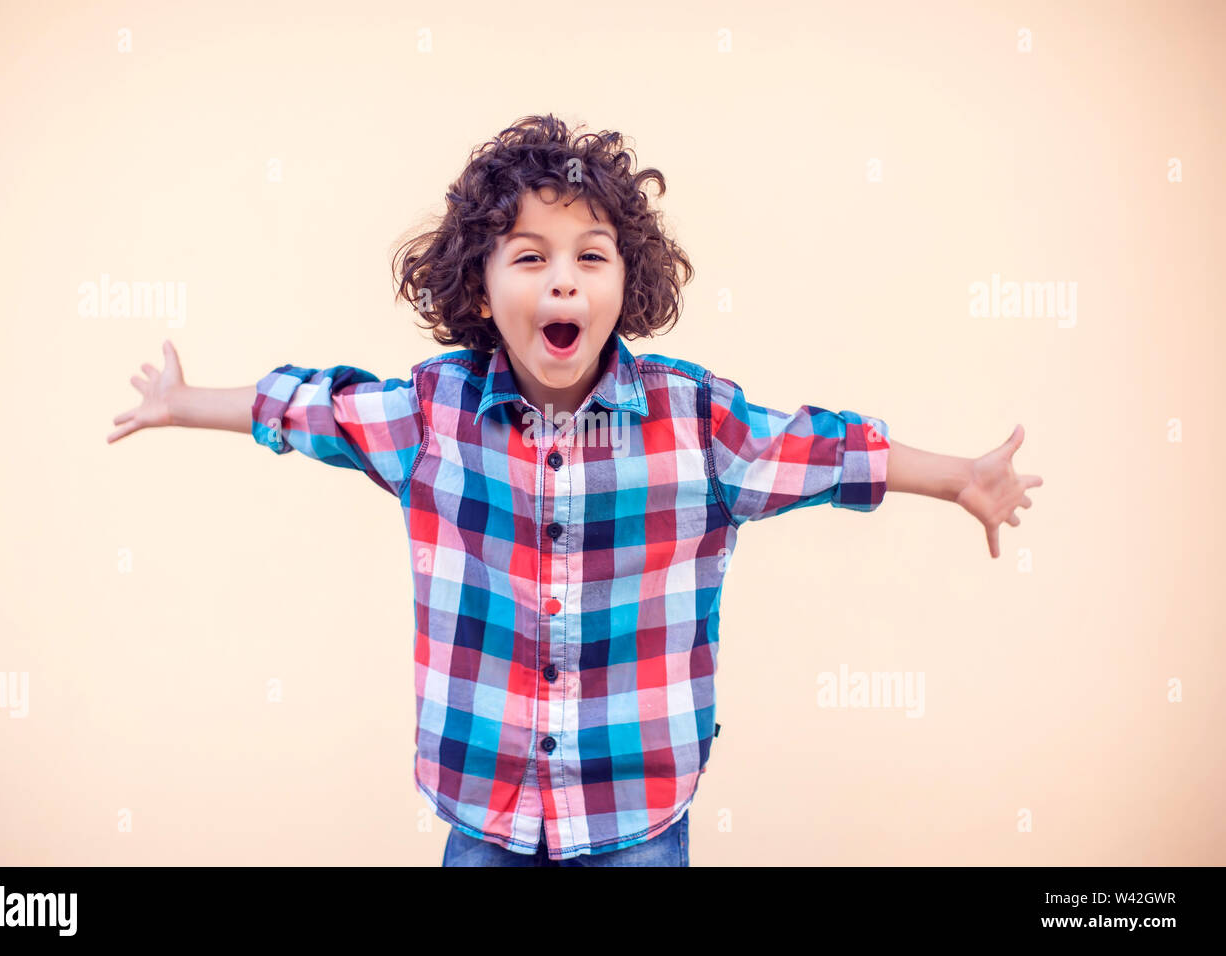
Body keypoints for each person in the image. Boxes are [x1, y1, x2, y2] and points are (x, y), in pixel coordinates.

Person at [106, 114, 1042, 866]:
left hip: (635, 805)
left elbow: (826, 452)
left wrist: (960, 477)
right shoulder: (434, 416)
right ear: (478, 291)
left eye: (591, 257)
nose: (564, 281)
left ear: (625, 283)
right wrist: (186, 402)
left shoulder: (695, 422)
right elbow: (315, 407)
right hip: (486, 804)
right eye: (530, 257)